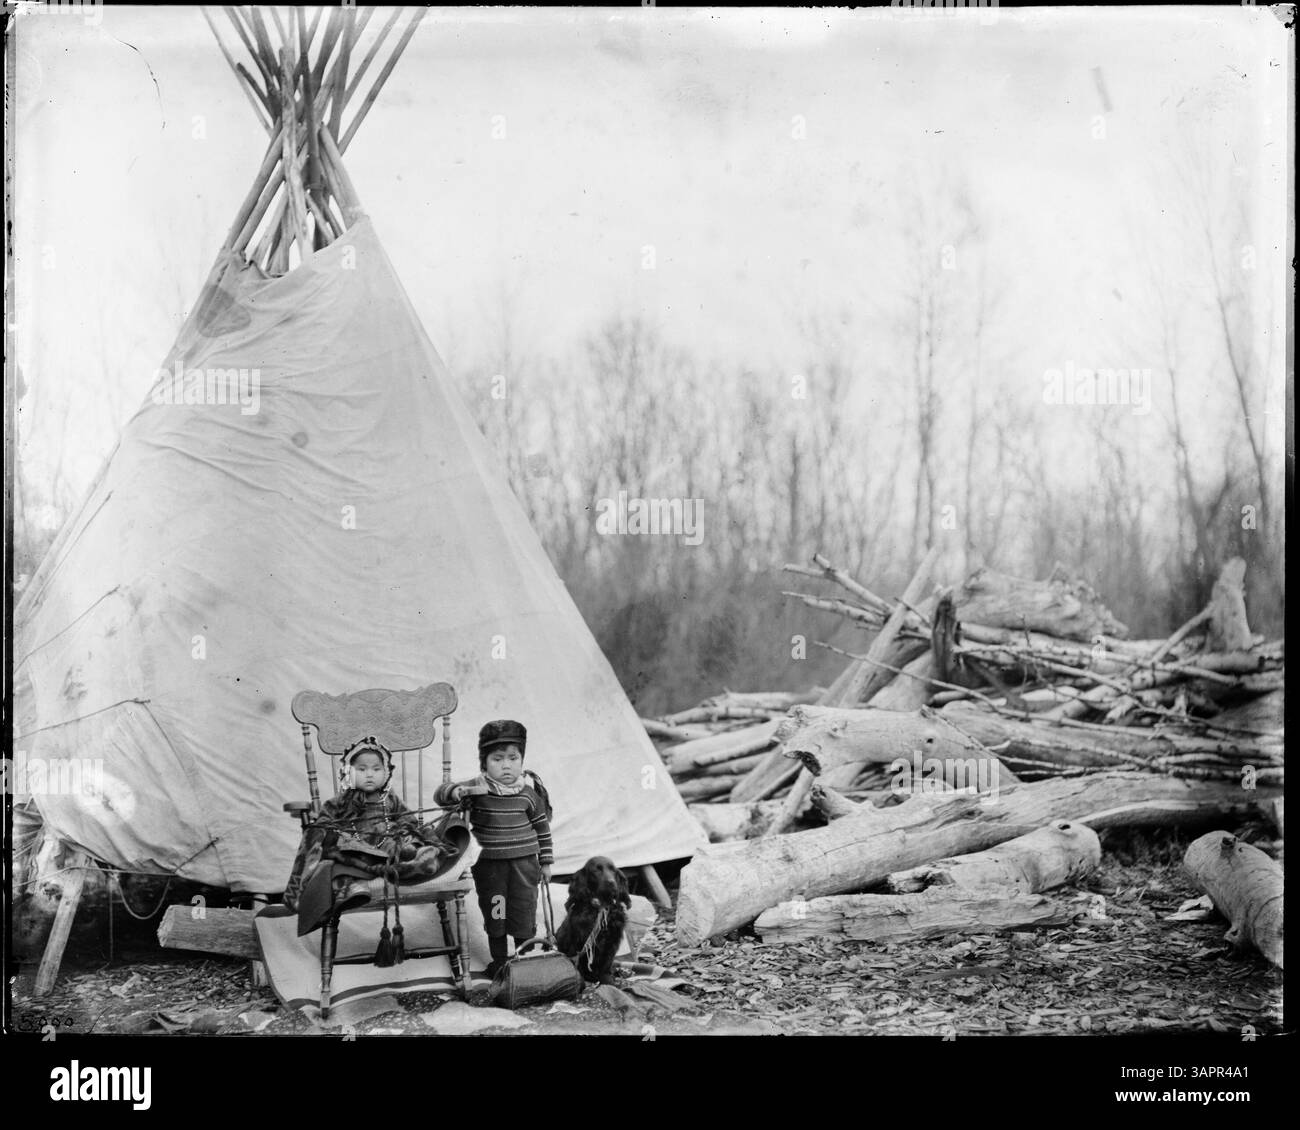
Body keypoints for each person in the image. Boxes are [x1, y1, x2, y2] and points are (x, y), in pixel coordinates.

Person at [284, 736, 455, 920]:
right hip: (357, 847)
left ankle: (413, 857)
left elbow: (409, 820)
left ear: (386, 772)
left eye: (376, 769)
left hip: (387, 841)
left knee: (406, 844)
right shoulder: (341, 801)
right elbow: (324, 822)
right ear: (349, 773)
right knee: (333, 846)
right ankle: (338, 886)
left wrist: (413, 835)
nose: (370, 774)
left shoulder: (390, 799)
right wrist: (322, 828)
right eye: (362, 769)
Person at [435, 719, 553, 978]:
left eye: (513, 758)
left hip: (524, 867)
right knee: (496, 911)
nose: (506, 765)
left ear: (521, 760)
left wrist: (546, 862)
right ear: (484, 763)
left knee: (523, 910)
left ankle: (523, 960)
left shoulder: (528, 794)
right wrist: (455, 792)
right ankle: (500, 961)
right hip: (491, 868)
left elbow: (543, 829)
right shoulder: (477, 789)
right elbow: (441, 794)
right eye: (497, 759)